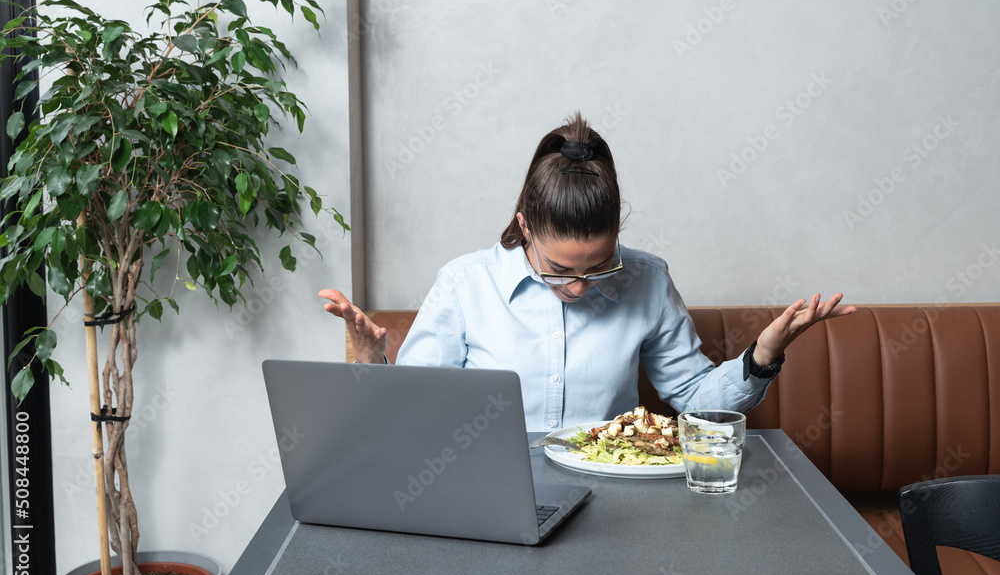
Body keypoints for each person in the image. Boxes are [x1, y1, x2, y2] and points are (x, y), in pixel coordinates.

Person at [320, 112, 855, 432]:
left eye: (599, 267)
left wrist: (761, 356)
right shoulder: (465, 284)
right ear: (525, 226)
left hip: (612, 497)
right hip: (487, 491)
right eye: (558, 270)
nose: (577, 286)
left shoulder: (647, 279)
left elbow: (695, 400)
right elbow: (412, 415)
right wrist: (371, 363)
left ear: (616, 233)